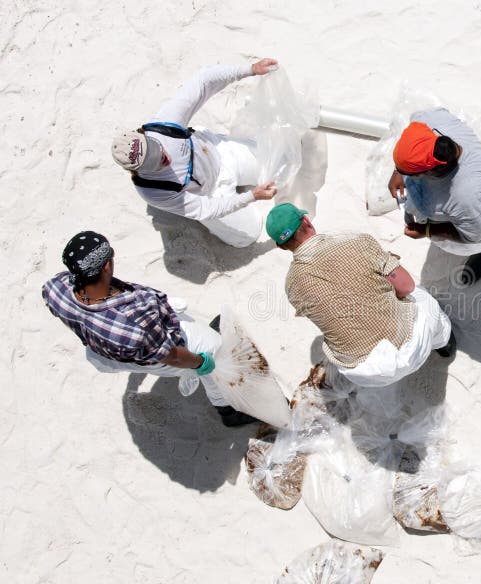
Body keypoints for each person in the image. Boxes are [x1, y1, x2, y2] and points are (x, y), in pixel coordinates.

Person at [42, 231, 255, 427]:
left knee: (188, 342)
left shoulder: (54, 289)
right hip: (161, 349)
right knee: (215, 355)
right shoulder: (133, 326)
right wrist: (200, 362)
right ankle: (228, 410)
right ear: (106, 266)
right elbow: (173, 356)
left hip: (107, 351)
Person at [267, 203, 455, 387]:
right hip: (410, 347)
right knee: (421, 296)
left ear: (281, 246)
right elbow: (406, 286)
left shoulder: (291, 287)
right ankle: (443, 343)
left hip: (365, 373)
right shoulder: (354, 241)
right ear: (307, 221)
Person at [111, 57, 281, 247]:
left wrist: (250, 69)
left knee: (281, 161)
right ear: (136, 170)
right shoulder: (152, 191)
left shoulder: (164, 124)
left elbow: (204, 80)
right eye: (153, 163)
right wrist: (251, 196)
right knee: (248, 235)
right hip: (209, 195)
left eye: (156, 149)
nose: (163, 159)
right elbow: (204, 209)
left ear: (145, 135)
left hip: (220, 154)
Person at [387, 108, 481, 285]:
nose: (405, 176)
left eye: (411, 173)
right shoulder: (432, 120)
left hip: (478, 219)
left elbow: (474, 235)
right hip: (450, 202)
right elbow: (416, 121)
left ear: (433, 171)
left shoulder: (469, 197)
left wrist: (426, 230)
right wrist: (399, 171)